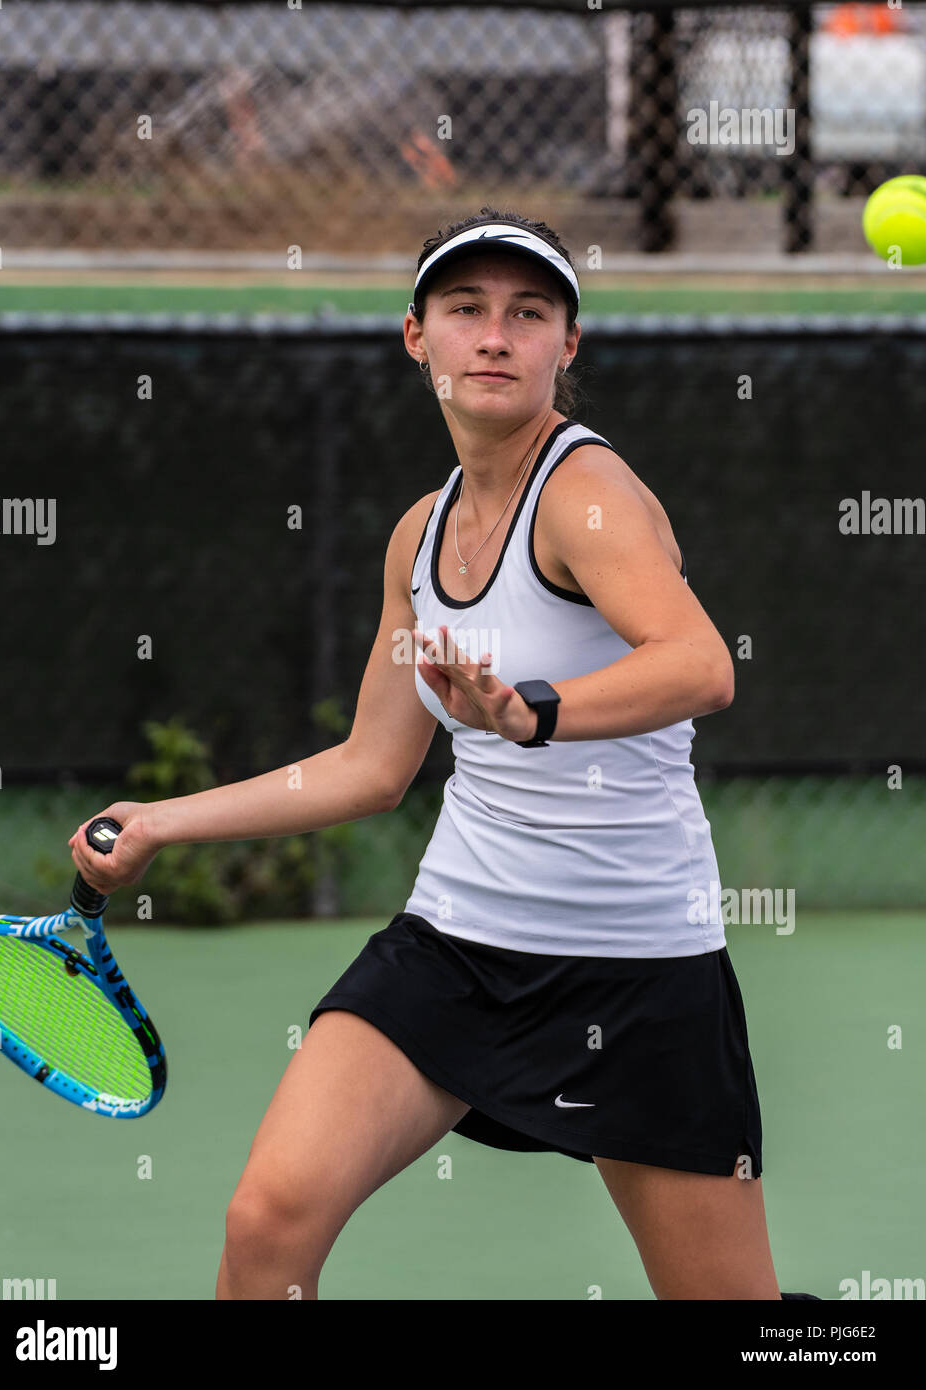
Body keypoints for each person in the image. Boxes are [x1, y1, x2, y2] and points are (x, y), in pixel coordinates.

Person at [69, 206, 819, 1302]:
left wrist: (534, 713)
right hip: (457, 946)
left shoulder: (588, 496)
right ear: (415, 335)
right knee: (267, 1222)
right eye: (464, 310)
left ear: (570, 345)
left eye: (528, 313)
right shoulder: (419, 534)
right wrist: (161, 820)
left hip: (640, 970)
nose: (495, 336)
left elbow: (701, 663)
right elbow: (372, 766)